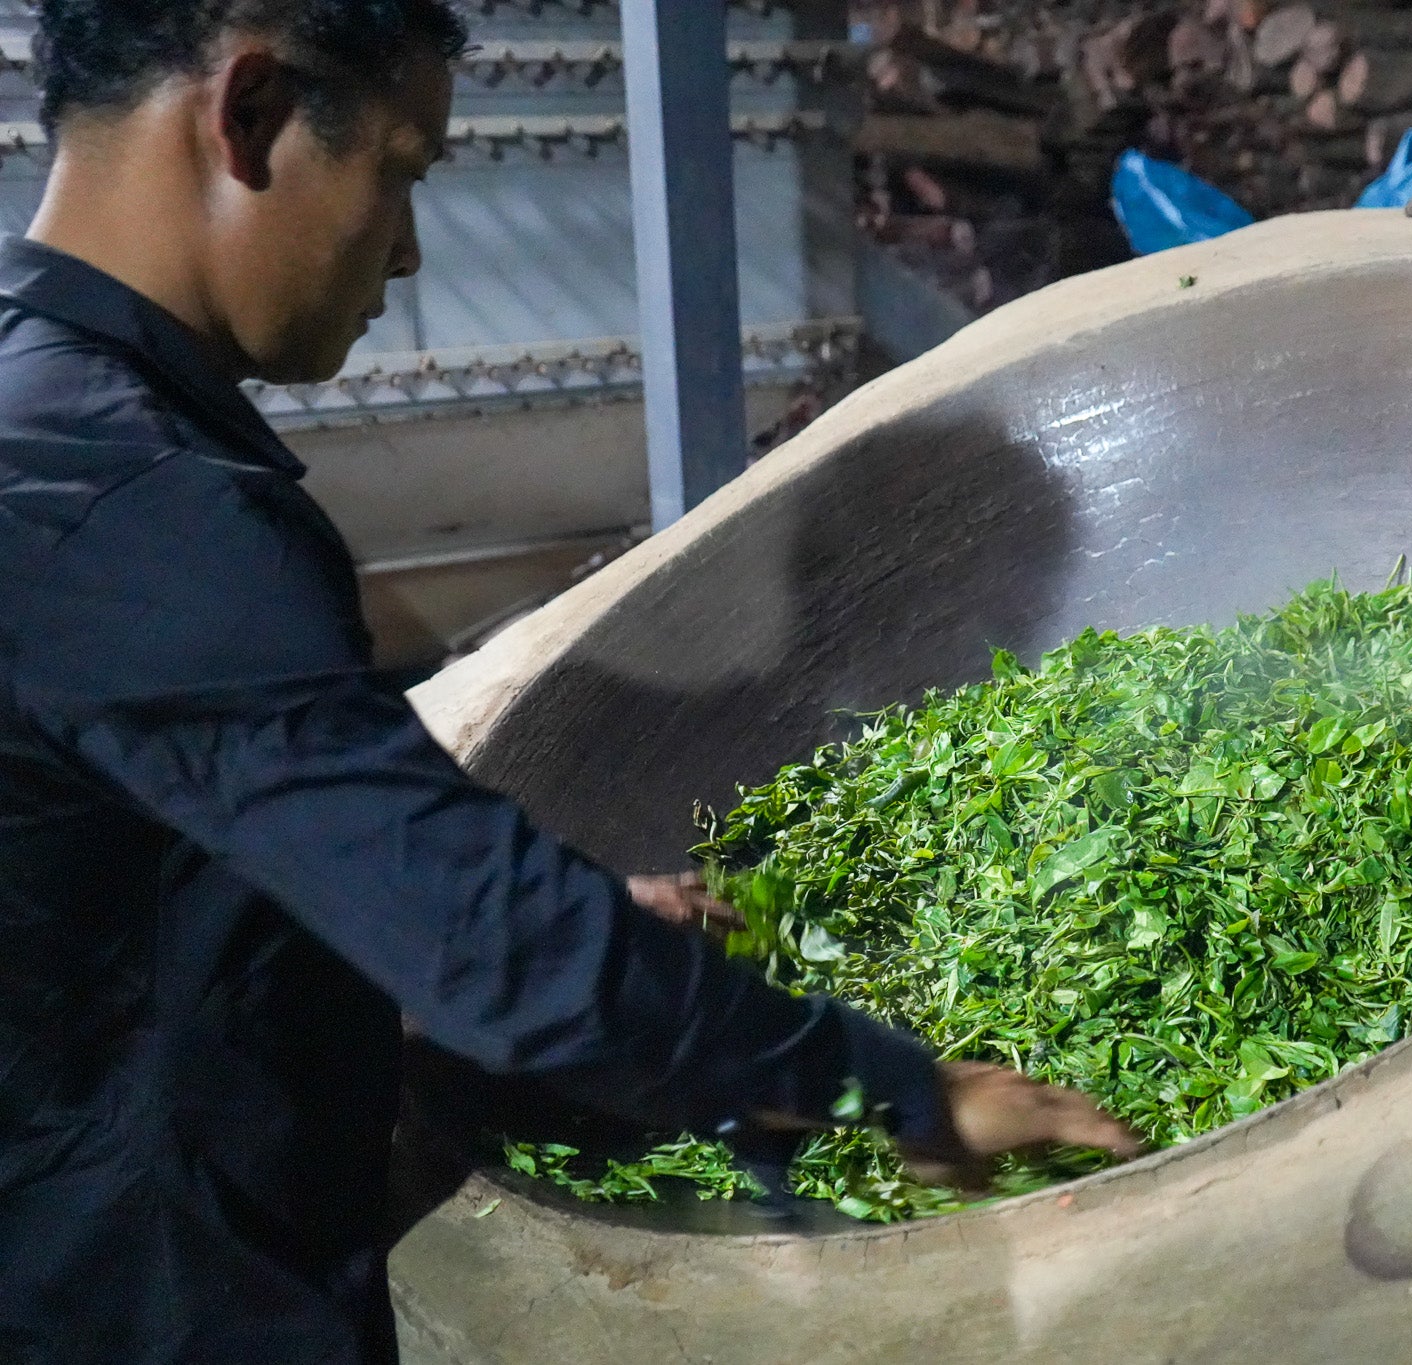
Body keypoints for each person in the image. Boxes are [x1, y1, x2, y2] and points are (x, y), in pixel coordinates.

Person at [0, 4, 1141, 1363]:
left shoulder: (50, 421)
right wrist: (898, 1088)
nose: (408, 247)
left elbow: (204, 847)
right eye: (403, 172)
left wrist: (582, 923)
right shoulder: (132, 502)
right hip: (138, 1292)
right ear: (248, 115)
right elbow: (494, 947)